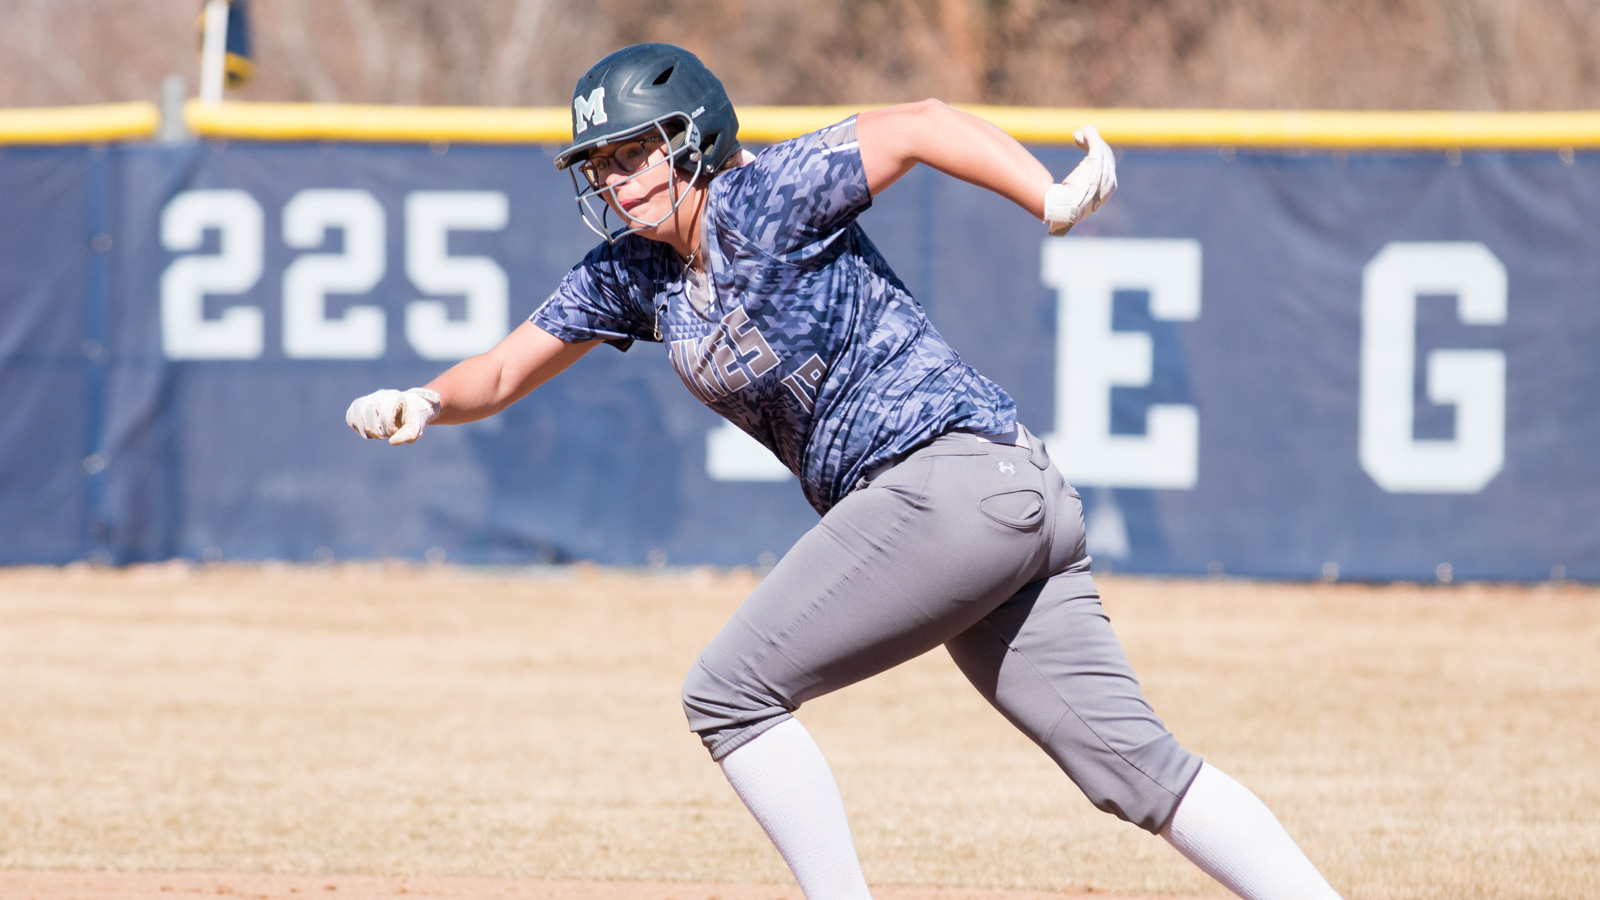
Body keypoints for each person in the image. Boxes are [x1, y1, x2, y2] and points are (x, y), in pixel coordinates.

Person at [347, 43, 1343, 900]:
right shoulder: (636, 274)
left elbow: (917, 124)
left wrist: (1043, 192)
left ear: (691, 140)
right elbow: (505, 366)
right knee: (1136, 772)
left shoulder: (761, 198)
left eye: (630, 153)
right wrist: (429, 400)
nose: (612, 180)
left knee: (727, 694)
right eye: (597, 164)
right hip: (998, 496)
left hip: (946, 483)